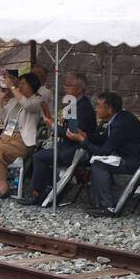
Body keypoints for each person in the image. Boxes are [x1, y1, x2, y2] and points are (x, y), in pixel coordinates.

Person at [63, 92, 140, 215]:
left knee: (100, 164)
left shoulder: (119, 124)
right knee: (98, 163)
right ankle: (98, 203)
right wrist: (86, 135)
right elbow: (103, 139)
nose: (96, 109)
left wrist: (82, 140)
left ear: (109, 109)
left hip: (137, 161)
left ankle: (107, 206)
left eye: (99, 106)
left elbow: (104, 151)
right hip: (133, 156)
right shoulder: (119, 117)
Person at [20, 72, 98, 206]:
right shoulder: (75, 104)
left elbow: (73, 134)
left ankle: (37, 193)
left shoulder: (83, 108)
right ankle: (50, 188)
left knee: (39, 156)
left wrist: (53, 126)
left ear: (79, 89)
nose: (65, 87)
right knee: (41, 153)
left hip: (75, 150)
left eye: (69, 85)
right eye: (65, 84)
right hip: (68, 146)